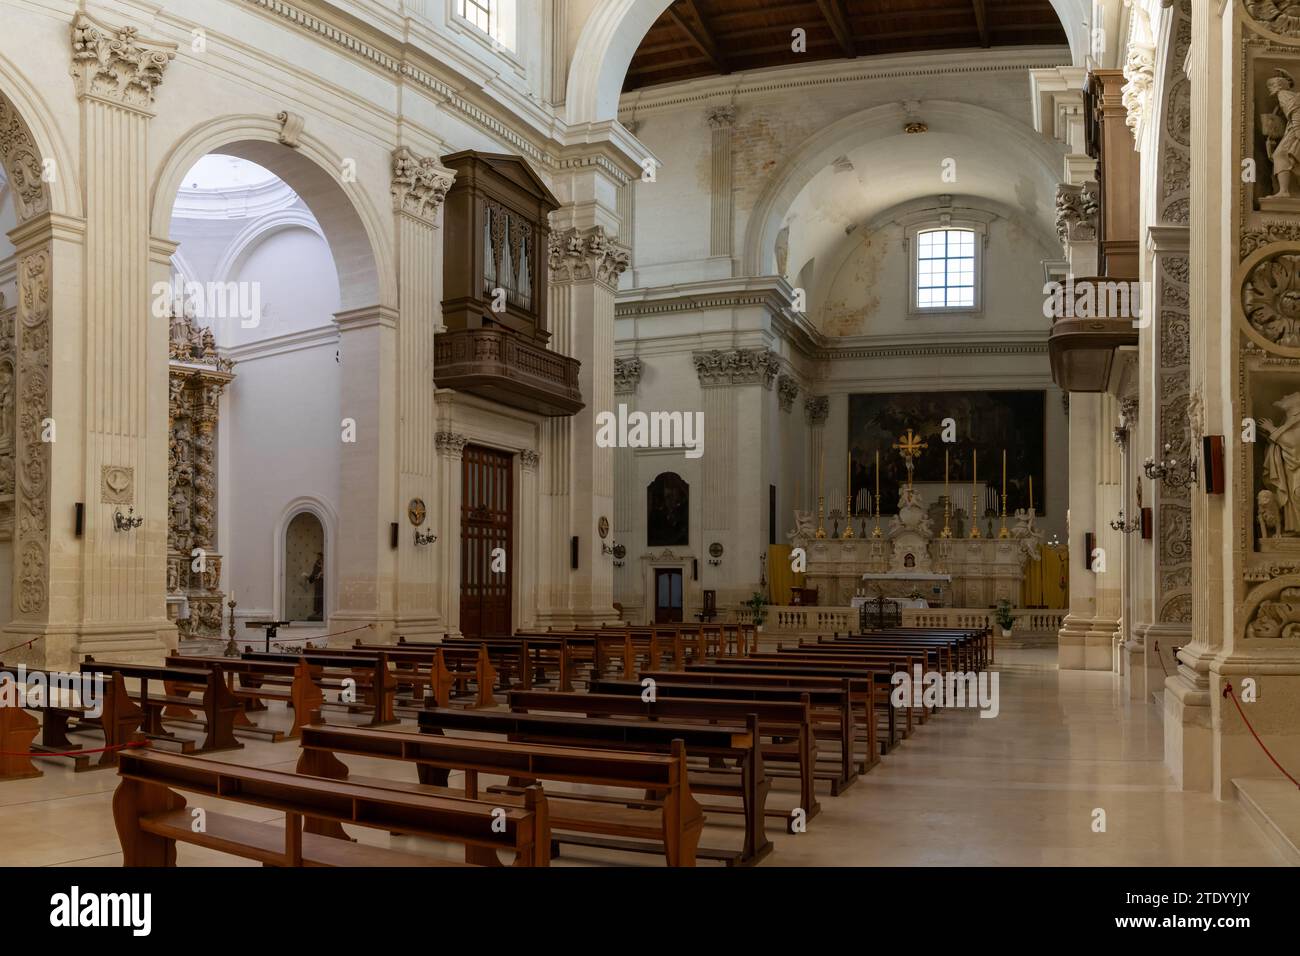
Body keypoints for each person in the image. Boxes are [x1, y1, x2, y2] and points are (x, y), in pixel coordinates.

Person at [1264, 69, 1300, 199]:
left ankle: (1284, 191)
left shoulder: (1283, 94)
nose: (1270, 88)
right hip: (1294, 128)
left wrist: (1297, 130)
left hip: (1296, 129)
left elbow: (1296, 111)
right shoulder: (1286, 95)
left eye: (1271, 85)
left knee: (1280, 155)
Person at [306, 551, 324, 621]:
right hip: (317, 583)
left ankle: (322, 611)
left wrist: (321, 574)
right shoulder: (316, 564)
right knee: (317, 596)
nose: (318, 557)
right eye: (317, 556)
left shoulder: (324, 564)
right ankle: (317, 611)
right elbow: (313, 573)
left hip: (322, 583)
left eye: (319, 556)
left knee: (322, 596)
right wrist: (309, 578)